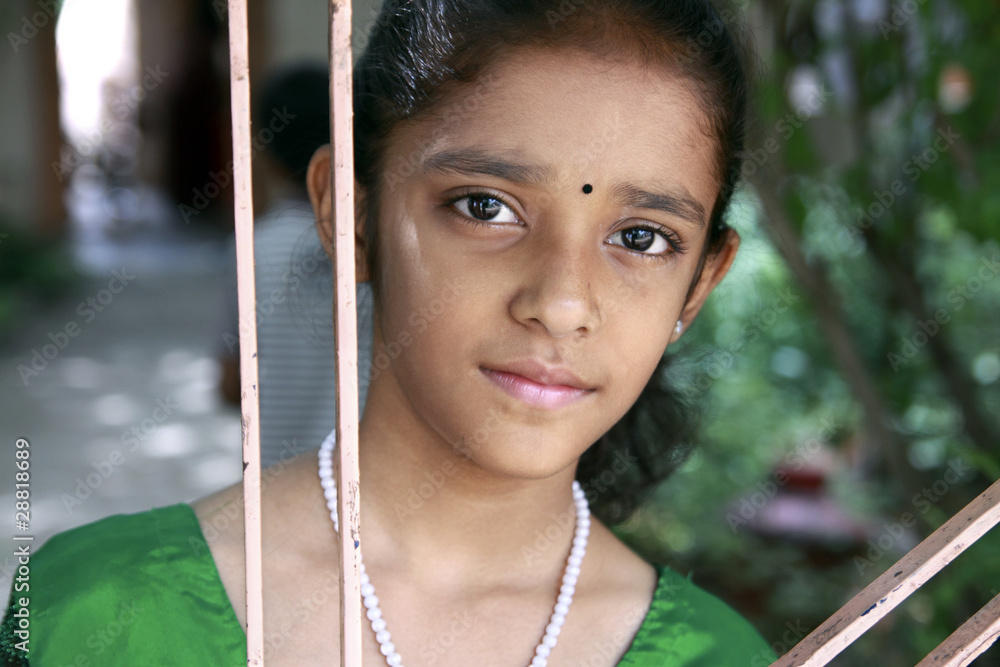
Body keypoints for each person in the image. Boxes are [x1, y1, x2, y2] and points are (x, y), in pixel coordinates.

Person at [1, 1, 780, 665]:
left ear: (700, 282)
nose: (563, 302)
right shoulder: (95, 615)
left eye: (641, 238)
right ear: (352, 214)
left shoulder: (715, 655)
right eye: (485, 206)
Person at [216, 62, 375, 468]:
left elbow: (231, 385)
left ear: (265, 150)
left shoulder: (252, 247)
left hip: (278, 483)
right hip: (365, 477)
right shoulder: (374, 242)